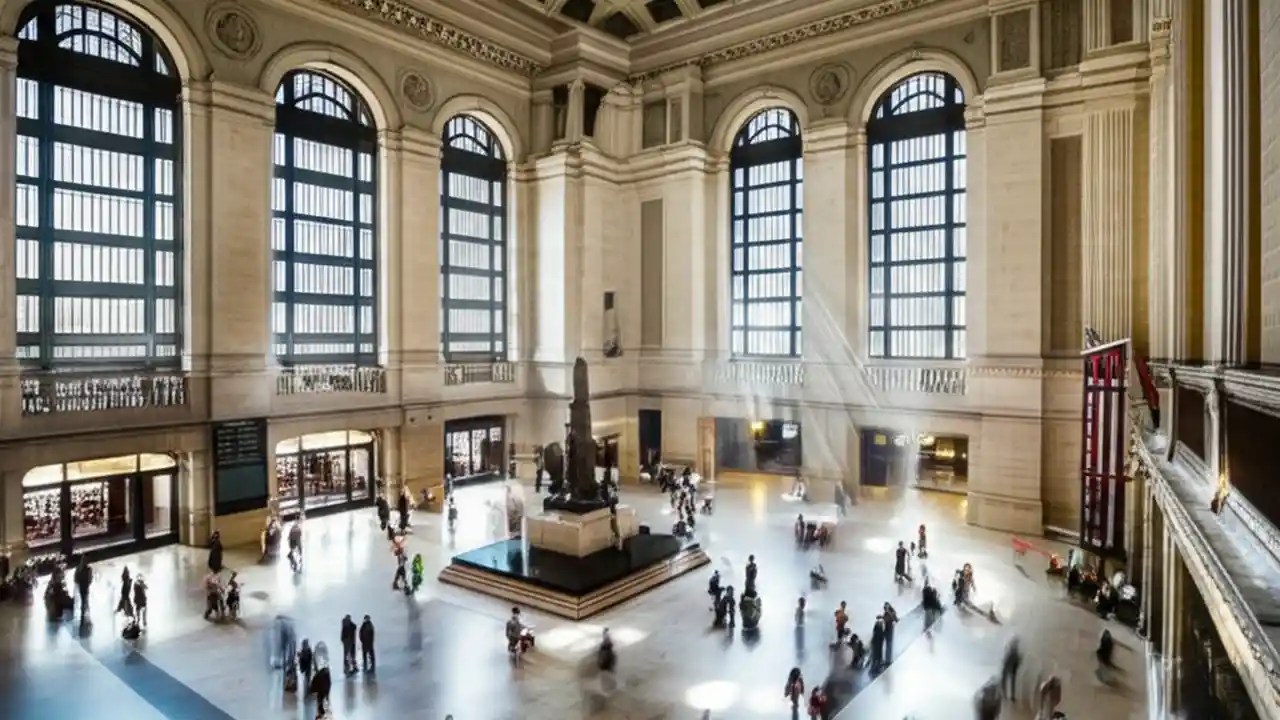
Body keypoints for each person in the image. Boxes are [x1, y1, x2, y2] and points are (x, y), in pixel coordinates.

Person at [309, 646, 332, 719]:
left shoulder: (318, 676)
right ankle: (323, 712)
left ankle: (322, 713)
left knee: (321, 700)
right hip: (323, 685)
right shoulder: (324, 673)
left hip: (322, 685)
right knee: (322, 699)